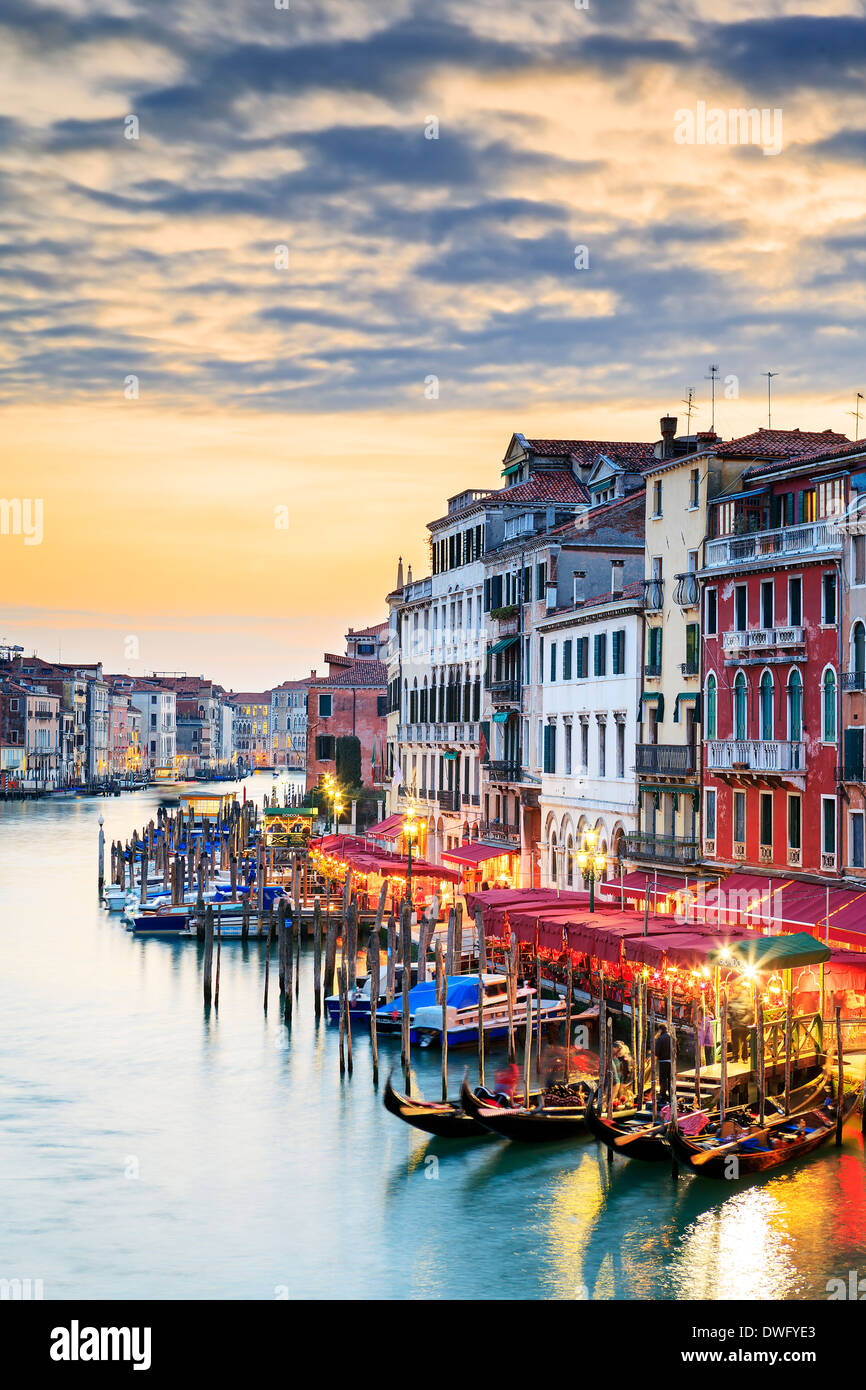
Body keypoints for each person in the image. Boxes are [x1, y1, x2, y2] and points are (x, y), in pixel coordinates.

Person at [728, 983, 754, 1064]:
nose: (734, 993)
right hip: (734, 1024)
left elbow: (750, 1013)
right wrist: (730, 1020)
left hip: (743, 1025)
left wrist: (743, 1021)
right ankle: (735, 1057)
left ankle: (745, 1058)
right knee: (734, 1042)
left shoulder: (746, 1000)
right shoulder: (732, 1000)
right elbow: (727, 1011)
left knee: (744, 1042)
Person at [654, 1023, 672, 1109]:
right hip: (672, 1062)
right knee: (670, 1079)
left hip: (663, 1062)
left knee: (663, 1080)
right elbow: (677, 1050)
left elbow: (657, 1052)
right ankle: (671, 1097)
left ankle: (663, 1097)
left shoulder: (660, 1039)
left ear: (660, 1030)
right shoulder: (672, 1037)